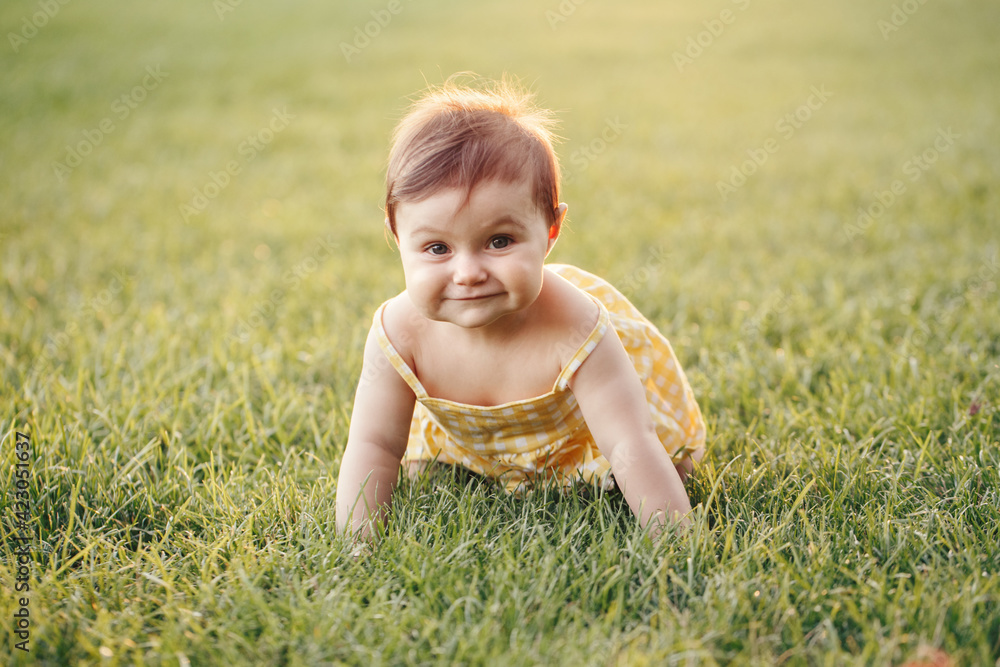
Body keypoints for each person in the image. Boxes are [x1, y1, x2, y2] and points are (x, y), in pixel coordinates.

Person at [336, 76, 705, 541]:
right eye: (437, 248)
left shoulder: (576, 327)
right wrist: (356, 546)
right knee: (425, 472)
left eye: (499, 241)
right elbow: (374, 444)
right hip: (474, 446)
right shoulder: (398, 334)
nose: (468, 272)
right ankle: (474, 465)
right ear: (396, 235)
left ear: (551, 229)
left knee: (660, 463)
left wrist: (677, 541)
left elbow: (627, 439)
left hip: (578, 440)